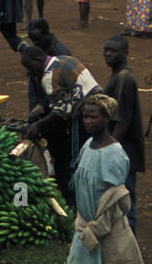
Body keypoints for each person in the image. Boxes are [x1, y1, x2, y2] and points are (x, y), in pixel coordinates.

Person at [65, 93, 142, 264]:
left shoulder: (113, 154)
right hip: (84, 224)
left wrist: (98, 228)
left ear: (107, 118)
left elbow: (116, 200)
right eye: (85, 116)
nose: (88, 121)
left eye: (94, 117)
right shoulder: (88, 146)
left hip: (106, 228)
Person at [20, 44, 101, 204]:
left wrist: (38, 126)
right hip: (99, 109)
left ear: (38, 60)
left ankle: (74, 202)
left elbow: (61, 111)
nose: (30, 73)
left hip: (84, 115)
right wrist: (42, 107)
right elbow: (64, 95)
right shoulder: (64, 59)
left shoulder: (48, 76)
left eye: (30, 67)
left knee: (73, 159)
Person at [102, 36, 145, 232]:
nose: (108, 54)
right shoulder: (118, 75)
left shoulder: (124, 79)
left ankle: (130, 255)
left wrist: (108, 149)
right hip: (121, 150)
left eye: (113, 51)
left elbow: (122, 121)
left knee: (126, 203)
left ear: (126, 53)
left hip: (124, 151)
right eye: (106, 50)